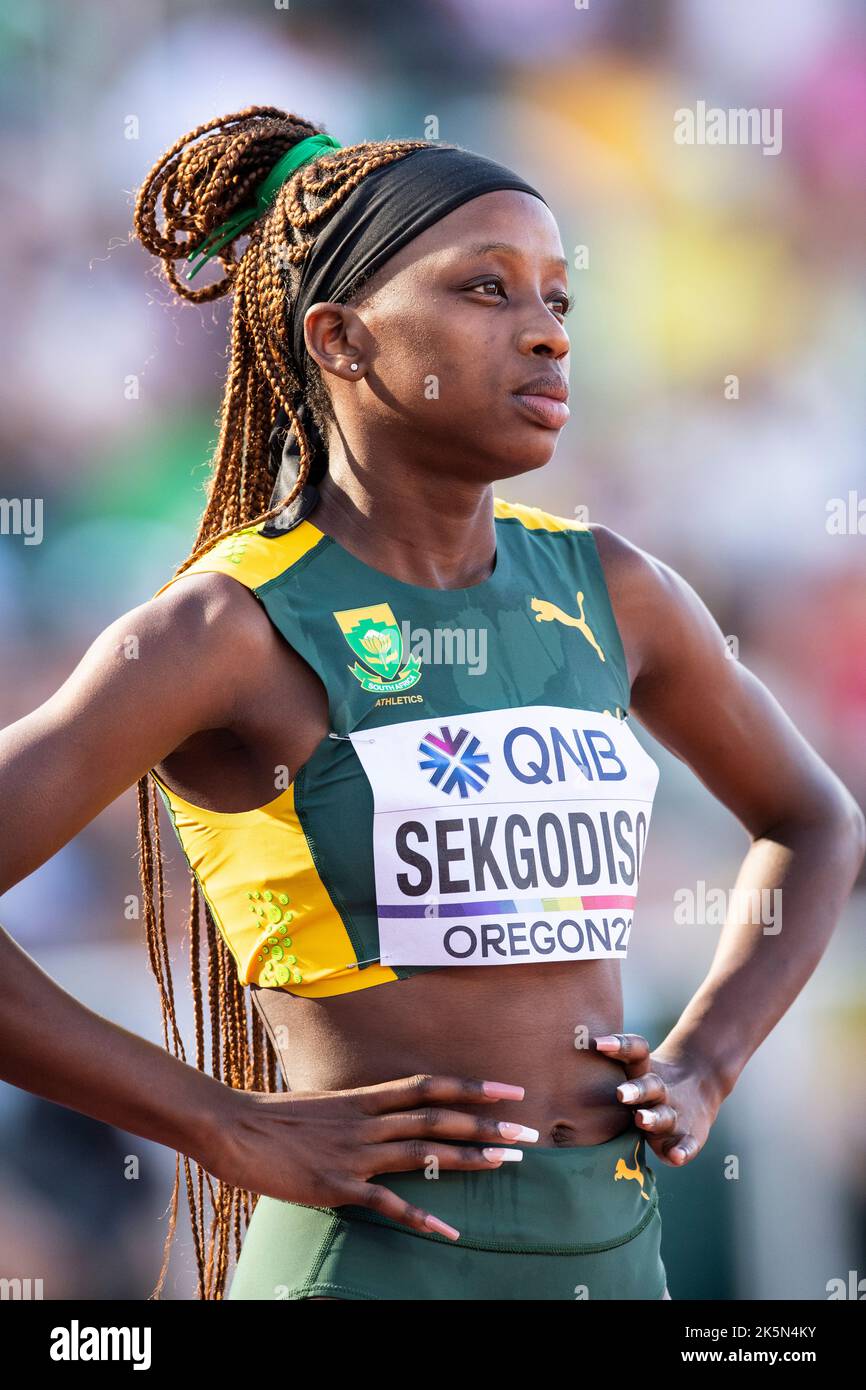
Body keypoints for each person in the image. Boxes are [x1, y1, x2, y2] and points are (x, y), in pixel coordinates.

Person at [1, 107, 862, 1302]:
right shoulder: (222, 629)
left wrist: (708, 1059)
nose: (547, 337)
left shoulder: (612, 585)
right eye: (486, 290)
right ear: (341, 338)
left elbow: (813, 820)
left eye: (558, 300)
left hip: (617, 1263)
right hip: (372, 1268)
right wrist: (228, 1126)